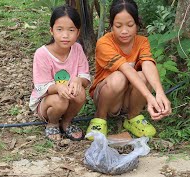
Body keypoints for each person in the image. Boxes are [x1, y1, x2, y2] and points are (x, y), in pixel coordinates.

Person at [86, 0, 171, 140]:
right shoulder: (104, 43)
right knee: (119, 77)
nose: (124, 31)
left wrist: (160, 93)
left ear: (137, 24)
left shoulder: (142, 41)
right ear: (112, 25)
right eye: (118, 26)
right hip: (107, 96)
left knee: (144, 75)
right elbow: (125, 68)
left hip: (128, 99)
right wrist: (150, 97)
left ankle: (133, 117)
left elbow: (148, 63)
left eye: (130, 25)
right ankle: (100, 118)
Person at [29, 5, 91, 141]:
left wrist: (78, 80)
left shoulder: (77, 49)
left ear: (78, 32)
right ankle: (52, 122)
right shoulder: (42, 54)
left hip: (70, 98)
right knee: (59, 100)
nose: (65, 35)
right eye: (59, 29)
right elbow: (41, 86)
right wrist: (57, 87)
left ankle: (67, 121)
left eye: (71, 30)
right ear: (51, 31)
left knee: (80, 93)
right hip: (47, 103)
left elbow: (85, 78)